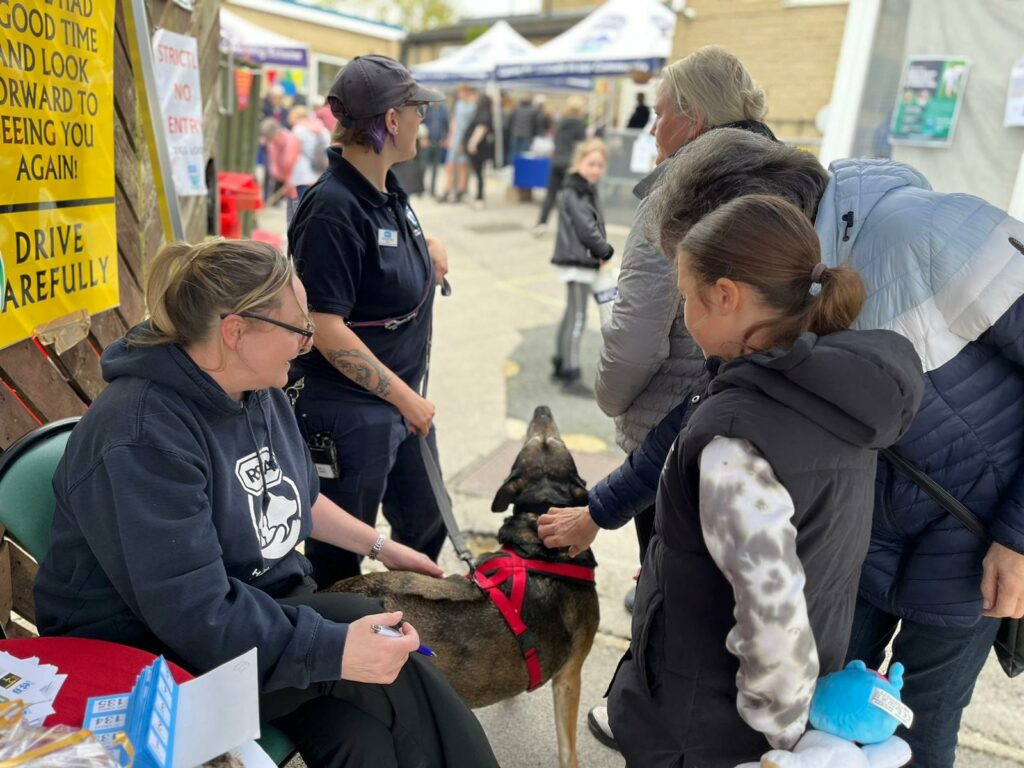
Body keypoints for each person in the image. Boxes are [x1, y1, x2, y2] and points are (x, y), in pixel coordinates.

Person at [549, 126, 1024, 767]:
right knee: (829, 716)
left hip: (973, 542)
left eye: (689, 290)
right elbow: (692, 420)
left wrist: (1018, 534)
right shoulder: (773, 324)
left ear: (735, 273)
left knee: (918, 727)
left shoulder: (931, 234)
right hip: (862, 542)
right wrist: (599, 511)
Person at [33, 239, 500, 768]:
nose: (307, 343)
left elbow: (295, 496)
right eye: (299, 328)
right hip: (149, 656)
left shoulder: (257, 387)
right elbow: (196, 614)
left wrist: (381, 545)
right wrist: (333, 648)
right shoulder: (142, 435)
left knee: (361, 731)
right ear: (235, 331)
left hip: (251, 613)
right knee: (372, 637)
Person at [606, 194, 923, 767]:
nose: (684, 315)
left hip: (708, 727)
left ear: (725, 296)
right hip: (790, 681)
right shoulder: (834, 392)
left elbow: (770, 611)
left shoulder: (736, 438)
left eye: (686, 298)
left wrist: (783, 743)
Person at [597, 45, 777, 610]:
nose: (652, 127)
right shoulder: (789, 178)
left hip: (672, 437)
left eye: (660, 111)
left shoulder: (680, 189)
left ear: (693, 118)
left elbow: (636, 330)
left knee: (664, 601)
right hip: (764, 425)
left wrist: (610, 398)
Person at [287, 55, 451, 590]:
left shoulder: (386, 192)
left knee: (424, 524)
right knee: (339, 557)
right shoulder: (333, 207)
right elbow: (325, 327)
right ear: (392, 120)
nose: (424, 121)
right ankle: (343, 662)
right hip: (352, 415)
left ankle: (412, 629)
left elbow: (379, 263)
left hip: (400, 406)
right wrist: (405, 400)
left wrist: (427, 251)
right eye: (417, 110)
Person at [550, 139, 614, 392]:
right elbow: (586, 227)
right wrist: (604, 250)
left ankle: (560, 360)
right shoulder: (577, 190)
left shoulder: (581, 187)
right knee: (578, 317)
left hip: (577, 258)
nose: (596, 169)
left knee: (570, 314)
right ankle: (571, 372)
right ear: (579, 162)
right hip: (579, 260)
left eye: (600, 165)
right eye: (591, 163)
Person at [534, 95, 588, 234]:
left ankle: (541, 223)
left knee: (550, 195)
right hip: (570, 164)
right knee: (571, 197)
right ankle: (568, 228)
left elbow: (555, 140)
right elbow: (581, 147)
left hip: (556, 161)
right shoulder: (580, 125)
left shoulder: (560, 122)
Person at [439, 84, 476, 203]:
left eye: (462, 92)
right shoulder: (458, 105)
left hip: (464, 138)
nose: (460, 94)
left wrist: (464, 143)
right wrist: (450, 138)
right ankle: (447, 190)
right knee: (449, 166)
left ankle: (461, 191)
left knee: (462, 166)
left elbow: (470, 127)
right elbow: (454, 122)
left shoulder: (472, 107)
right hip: (455, 138)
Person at [260, 118, 302, 221]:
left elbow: (290, 161)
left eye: (272, 137)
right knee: (290, 206)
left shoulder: (290, 139)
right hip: (285, 177)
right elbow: (273, 162)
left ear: (276, 132)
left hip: (295, 178)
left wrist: (288, 177)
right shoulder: (271, 144)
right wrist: (278, 174)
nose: (271, 141)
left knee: (296, 204)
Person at [288, 105, 331, 202]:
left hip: (302, 177)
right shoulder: (324, 131)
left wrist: (288, 178)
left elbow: (290, 157)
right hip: (321, 176)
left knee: (300, 207)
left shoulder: (298, 130)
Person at [464, 93, 495, 210]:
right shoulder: (485, 112)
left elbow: (481, 128)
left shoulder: (483, 113)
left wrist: (472, 143)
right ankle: (479, 197)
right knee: (478, 174)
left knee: (479, 174)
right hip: (480, 148)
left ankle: (480, 198)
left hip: (479, 149)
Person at [420, 97, 449, 198]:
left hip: (438, 143)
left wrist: (444, 139)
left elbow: (446, 125)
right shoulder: (427, 109)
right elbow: (421, 124)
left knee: (435, 169)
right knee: (423, 166)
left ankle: (432, 190)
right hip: (427, 142)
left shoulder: (443, 110)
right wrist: (423, 138)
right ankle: (421, 189)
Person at [508, 94, 540, 159]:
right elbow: (535, 123)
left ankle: (512, 166)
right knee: (524, 155)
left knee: (513, 153)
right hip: (526, 134)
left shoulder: (516, 108)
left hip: (515, 133)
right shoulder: (533, 110)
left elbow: (511, 120)